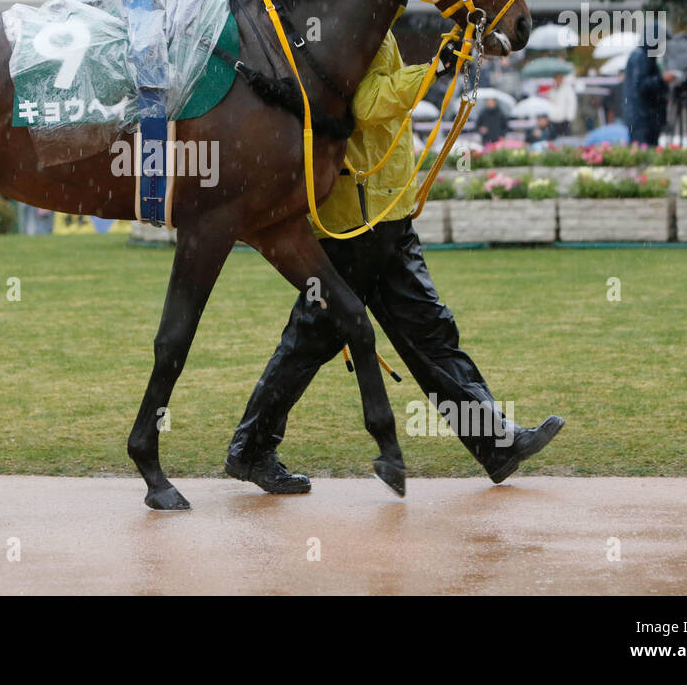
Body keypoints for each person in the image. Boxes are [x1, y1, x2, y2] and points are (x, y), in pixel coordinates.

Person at [225, 31, 565, 495]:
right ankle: (250, 448)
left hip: (385, 214)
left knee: (425, 332)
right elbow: (367, 105)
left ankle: (497, 443)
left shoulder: (371, 20)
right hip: (353, 222)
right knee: (316, 339)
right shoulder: (348, 22)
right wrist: (433, 70)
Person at [622, 40, 673, 146]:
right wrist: (662, 79)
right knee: (644, 150)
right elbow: (641, 86)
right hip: (641, 116)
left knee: (647, 149)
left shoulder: (646, 56)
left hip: (646, 115)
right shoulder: (641, 56)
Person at [546, 70, 577, 136]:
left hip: (564, 117)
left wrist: (569, 116)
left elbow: (572, 103)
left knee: (566, 136)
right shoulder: (552, 90)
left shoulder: (568, 89)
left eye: (559, 78)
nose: (558, 80)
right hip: (554, 118)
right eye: (556, 78)